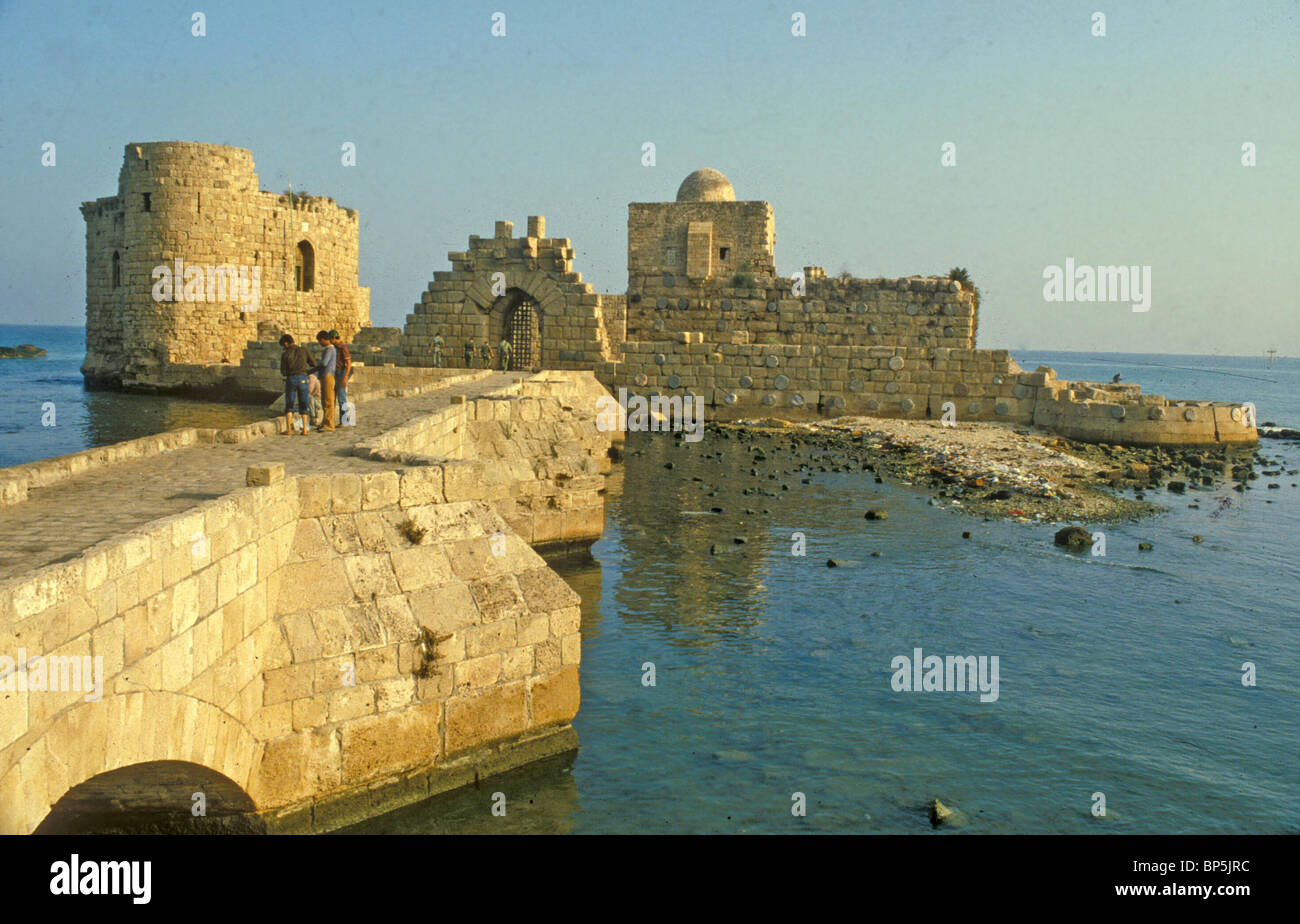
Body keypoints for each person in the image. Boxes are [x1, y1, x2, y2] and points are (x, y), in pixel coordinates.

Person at [278, 333, 313, 436]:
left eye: (283, 346)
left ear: (286, 343)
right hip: (303, 379)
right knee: (303, 402)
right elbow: (314, 364)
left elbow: (283, 371)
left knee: (289, 403)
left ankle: (288, 429)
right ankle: (305, 429)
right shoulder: (304, 350)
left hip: (291, 379)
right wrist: (306, 372)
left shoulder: (285, 354)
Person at [314, 330, 337, 432]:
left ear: (323, 339)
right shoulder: (328, 349)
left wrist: (316, 361)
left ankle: (330, 424)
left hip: (328, 375)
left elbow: (324, 363)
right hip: (324, 376)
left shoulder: (329, 349)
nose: (320, 343)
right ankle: (325, 421)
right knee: (324, 400)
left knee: (328, 400)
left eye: (320, 341)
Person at [330, 330, 352, 425]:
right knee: (333, 398)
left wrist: (345, 377)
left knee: (342, 398)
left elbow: (349, 364)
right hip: (335, 373)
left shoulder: (343, 348)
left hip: (341, 373)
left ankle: (344, 421)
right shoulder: (335, 348)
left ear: (334, 338)